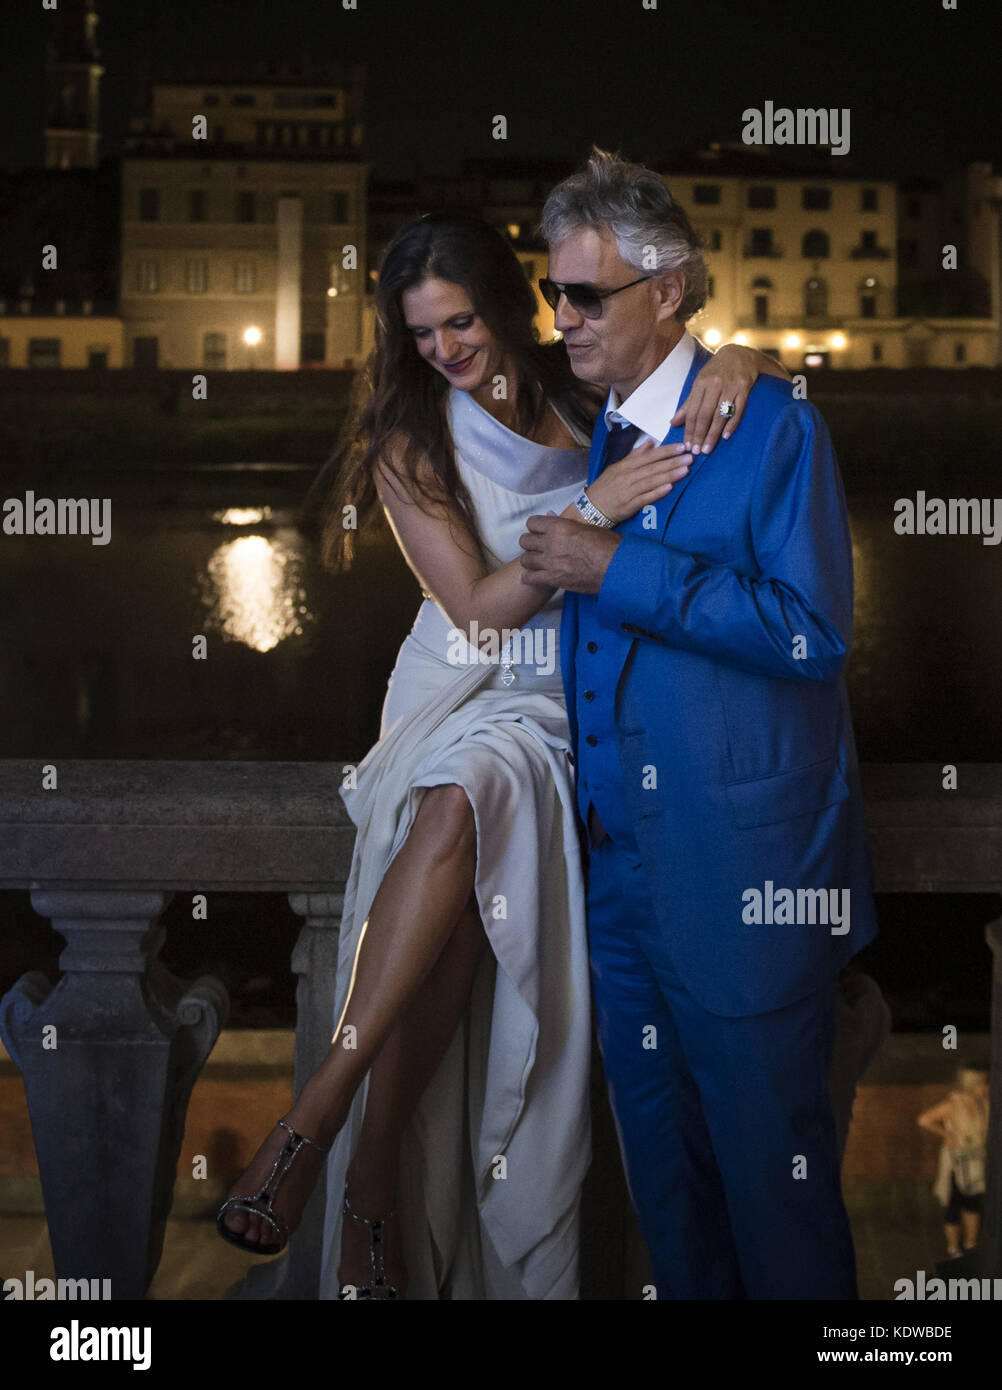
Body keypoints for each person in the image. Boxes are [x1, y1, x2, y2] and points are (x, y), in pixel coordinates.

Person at [216, 209, 788, 1299]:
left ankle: (351, 1160)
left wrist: (750, 359)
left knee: (475, 825)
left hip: (569, 694)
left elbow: (683, 369)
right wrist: (594, 506)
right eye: (422, 332)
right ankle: (330, 1120)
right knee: (466, 791)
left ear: (506, 301)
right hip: (466, 683)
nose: (445, 349)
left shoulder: (587, 392)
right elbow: (478, 612)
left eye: (462, 320)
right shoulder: (408, 436)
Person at [519, 147, 879, 1299]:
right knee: (672, 1209)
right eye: (554, 292)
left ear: (668, 290)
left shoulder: (774, 427)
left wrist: (618, 566)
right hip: (621, 888)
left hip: (746, 883)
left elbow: (810, 632)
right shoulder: (608, 431)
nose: (562, 317)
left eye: (587, 295)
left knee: (780, 1216)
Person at [919, 1062, 990, 1258]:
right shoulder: (953, 1104)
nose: (986, 1087)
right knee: (954, 1203)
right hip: (956, 1162)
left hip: (976, 1160)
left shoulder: (984, 1102)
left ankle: (971, 1243)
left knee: (974, 1202)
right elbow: (924, 1120)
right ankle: (953, 1248)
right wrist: (947, 1135)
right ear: (973, 1084)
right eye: (983, 1083)